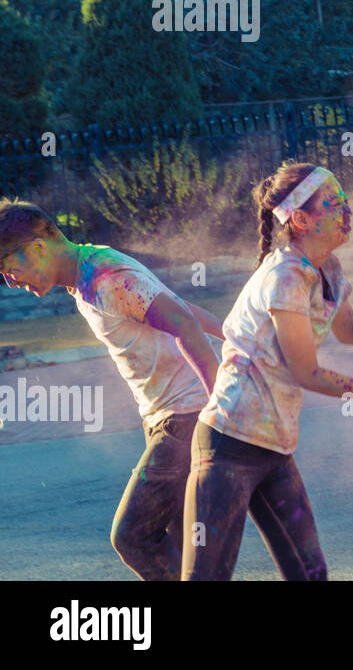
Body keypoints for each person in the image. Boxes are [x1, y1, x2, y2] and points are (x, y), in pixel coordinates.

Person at [181, 162, 353, 580]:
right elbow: (307, 372)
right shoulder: (285, 276)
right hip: (228, 444)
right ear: (300, 219)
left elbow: (352, 329)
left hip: (274, 448)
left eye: (344, 200)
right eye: (334, 204)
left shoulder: (327, 269)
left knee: (310, 574)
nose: (347, 210)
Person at [0, 198, 225, 580]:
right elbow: (177, 307)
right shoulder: (90, 270)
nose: (9, 280)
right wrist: (233, 336)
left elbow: (183, 323)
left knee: (133, 537)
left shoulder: (105, 277)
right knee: (187, 546)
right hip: (167, 417)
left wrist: (222, 405)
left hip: (185, 416)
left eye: (8, 267)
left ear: (38, 246)